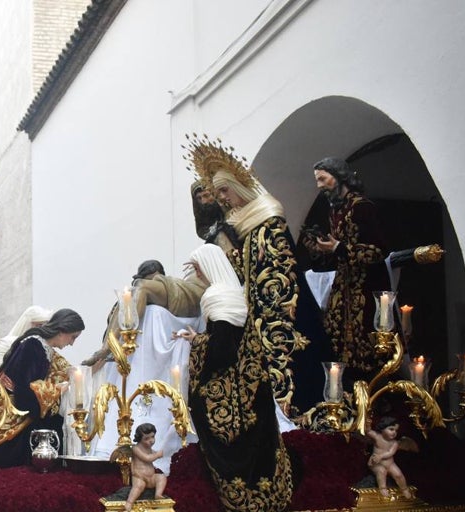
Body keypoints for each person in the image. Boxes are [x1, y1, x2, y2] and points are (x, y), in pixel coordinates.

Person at [190, 137, 308, 410]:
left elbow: (281, 265)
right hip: (255, 305)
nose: (221, 198)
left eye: (223, 191)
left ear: (237, 186)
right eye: (216, 192)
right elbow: (243, 268)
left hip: (277, 306)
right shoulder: (241, 224)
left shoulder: (267, 214)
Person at [176, 244, 293, 512]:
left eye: (197, 268)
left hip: (231, 389)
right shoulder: (233, 293)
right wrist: (200, 338)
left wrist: (199, 345)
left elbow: (222, 352)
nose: (196, 274)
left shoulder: (216, 296)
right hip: (253, 386)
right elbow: (230, 340)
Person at [301, 158, 389, 379]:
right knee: (337, 343)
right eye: (317, 181)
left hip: (366, 287)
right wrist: (322, 249)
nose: (319, 185)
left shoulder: (362, 207)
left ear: (339, 176)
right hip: (344, 288)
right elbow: (339, 255)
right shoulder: (336, 211)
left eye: (323, 179)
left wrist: (338, 247)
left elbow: (377, 251)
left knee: (367, 345)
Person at [0, 309, 84, 468]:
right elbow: (23, 391)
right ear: (62, 331)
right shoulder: (33, 345)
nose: (72, 343)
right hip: (12, 416)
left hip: (25, 410)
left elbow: (65, 372)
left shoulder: (45, 348)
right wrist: (56, 390)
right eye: (73, 337)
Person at [81, 259, 206, 370]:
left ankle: (109, 346)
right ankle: (107, 346)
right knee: (130, 294)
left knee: (140, 287)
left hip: (188, 293)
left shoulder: (208, 264)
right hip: (183, 290)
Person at [0, 305, 54, 374]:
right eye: (38, 325)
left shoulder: (43, 349)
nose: (41, 330)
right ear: (27, 323)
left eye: (44, 326)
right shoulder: (6, 343)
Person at [366, 416, 413, 499]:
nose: (394, 432)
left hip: (390, 464)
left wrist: (380, 456)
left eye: (396, 430)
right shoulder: (377, 437)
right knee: (381, 471)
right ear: (382, 428)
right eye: (391, 429)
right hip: (376, 463)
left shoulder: (395, 443)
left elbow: (390, 453)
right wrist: (368, 424)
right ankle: (383, 488)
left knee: (398, 474)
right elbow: (368, 431)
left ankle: (404, 489)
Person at [125, 423, 167, 512]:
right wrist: (158, 455)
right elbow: (147, 458)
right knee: (138, 487)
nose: (151, 441)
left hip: (151, 477)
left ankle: (158, 494)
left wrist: (162, 453)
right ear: (139, 439)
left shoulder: (148, 448)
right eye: (147, 438)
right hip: (139, 477)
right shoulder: (136, 449)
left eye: (152, 437)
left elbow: (153, 454)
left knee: (161, 477)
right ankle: (129, 502)